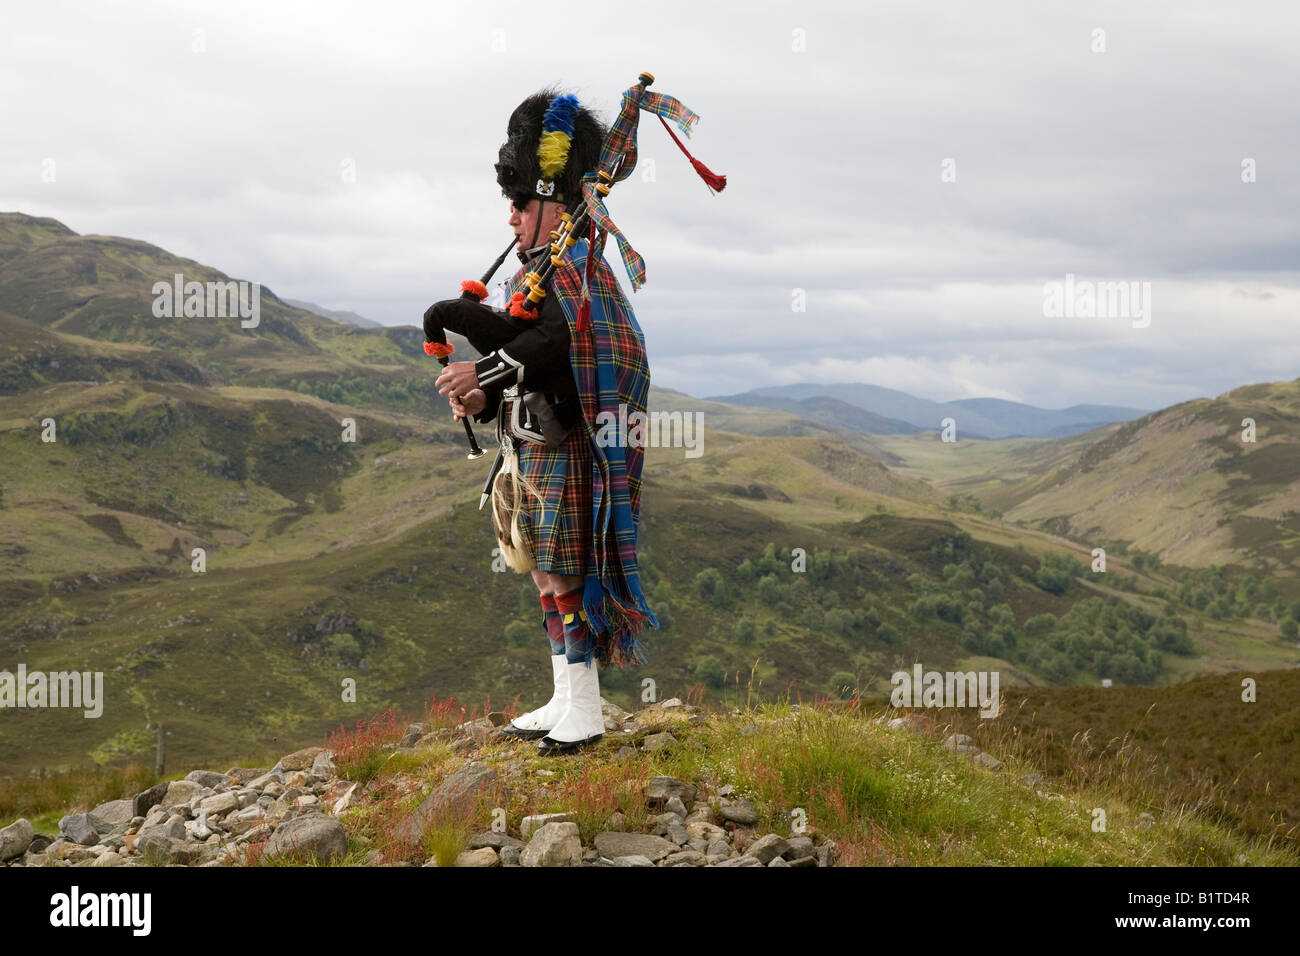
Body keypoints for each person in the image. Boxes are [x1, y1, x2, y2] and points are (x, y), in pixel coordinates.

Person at [425, 87, 658, 755]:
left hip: (570, 444)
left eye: (521, 204)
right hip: (532, 441)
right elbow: (530, 351)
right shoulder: (539, 270)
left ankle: (586, 707)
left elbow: (560, 344)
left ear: (554, 200)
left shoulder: (580, 266)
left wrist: (485, 373)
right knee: (540, 569)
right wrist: (484, 399)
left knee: (568, 570)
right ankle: (563, 693)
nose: (512, 218)